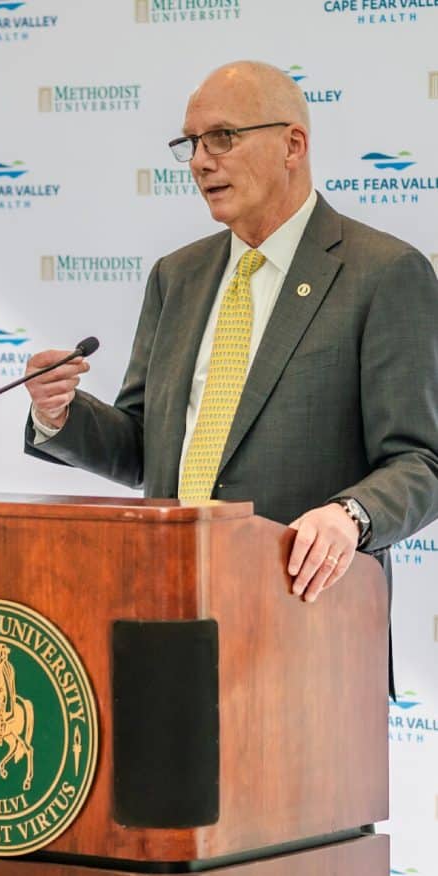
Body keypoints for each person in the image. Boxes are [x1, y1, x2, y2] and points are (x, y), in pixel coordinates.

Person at [24, 61, 438, 623]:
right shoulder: (177, 276)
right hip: (167, 605)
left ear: (293, 145)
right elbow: (143, 445)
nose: (199, 160)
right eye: (191, 142)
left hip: (306, 623)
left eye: (222, 137)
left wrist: (350, 515)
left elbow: (422, 461)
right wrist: (60, 415)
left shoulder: (382, 272)